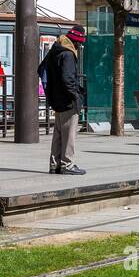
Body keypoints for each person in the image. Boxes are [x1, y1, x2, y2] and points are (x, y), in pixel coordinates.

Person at [43, 26, 87, 175]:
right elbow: (68, 79)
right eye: (79, 44)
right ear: (76, 41)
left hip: (56, 99)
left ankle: (54, 164)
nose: (79, 47)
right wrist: (76, 96)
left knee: (58, 134)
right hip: (67, 101)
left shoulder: (56, 51)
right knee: (69, 134)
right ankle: (67, 164)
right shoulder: (67, 54)